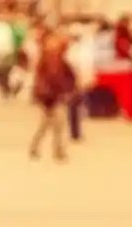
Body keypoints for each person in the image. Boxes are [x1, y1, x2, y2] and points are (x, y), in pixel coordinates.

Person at [29, 29, 75, 162]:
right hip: (47, 96)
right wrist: (41, 93)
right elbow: (40, 78)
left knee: (59, 124)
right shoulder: (44, 59)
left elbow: (69, 75)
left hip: (57, 96)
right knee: (45, 125)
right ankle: (35, 147)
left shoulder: (61, 59)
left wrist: (69, 90)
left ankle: (58, 151)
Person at [65, 24, 96, 142]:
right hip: (77, 80)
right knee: (75, 107)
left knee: (74, 107)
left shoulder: (74, 49)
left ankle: (75, 132)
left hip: (76, 80)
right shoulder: (80, 49)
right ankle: (75, 132)